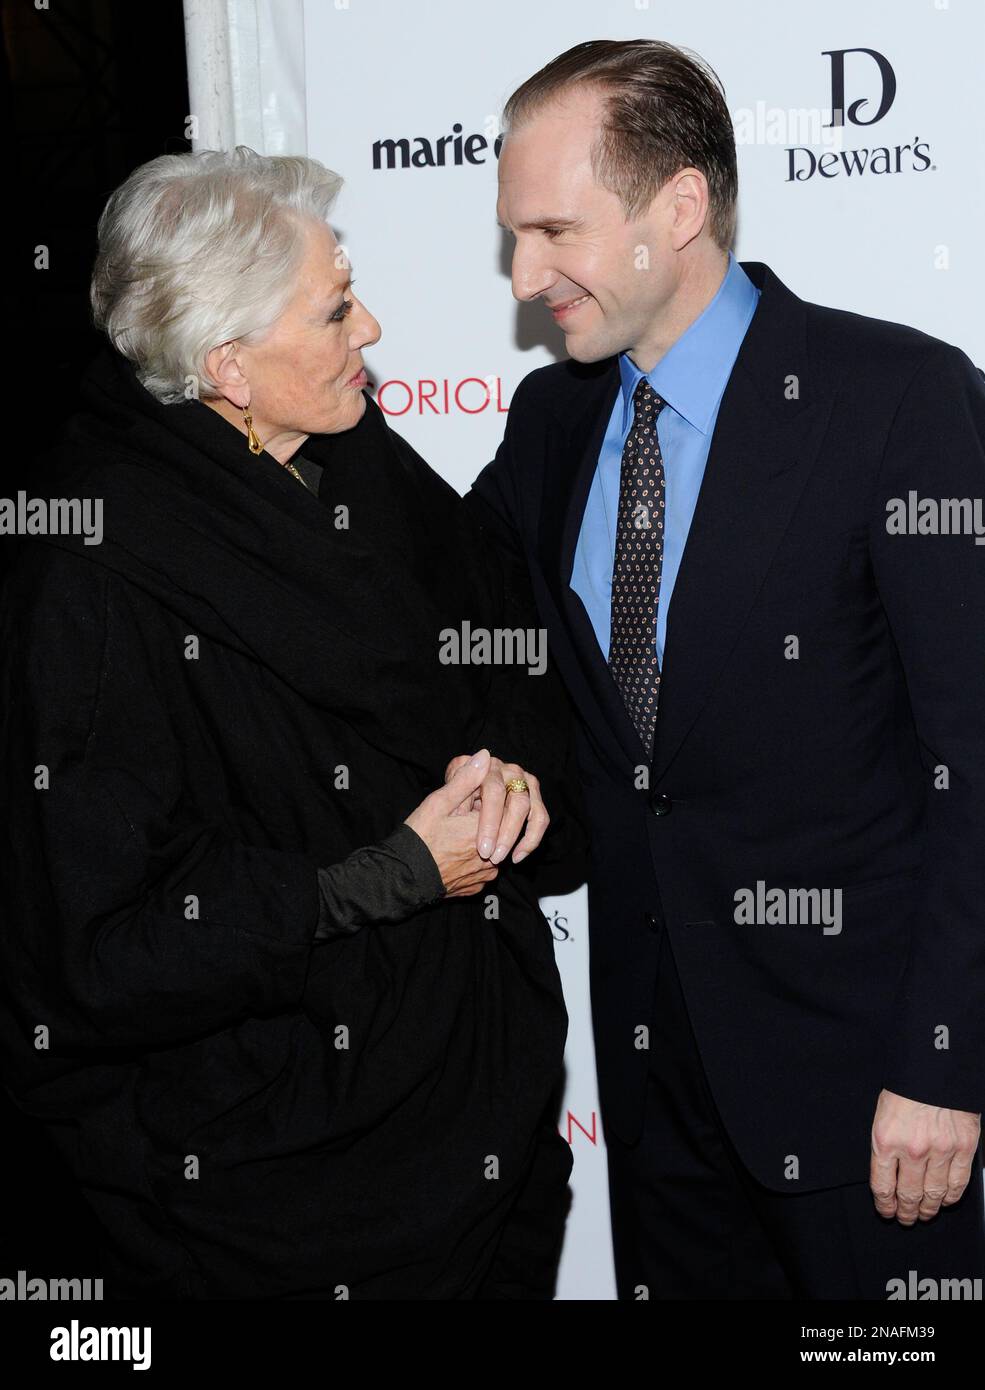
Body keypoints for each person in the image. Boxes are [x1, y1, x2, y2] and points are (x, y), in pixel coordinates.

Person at [0, 146, 584, 1300]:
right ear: (228, 365)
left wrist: (511, 767)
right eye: (332, 309)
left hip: (477, 1119)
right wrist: (390, 875)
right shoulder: (90, 573)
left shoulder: (351, 452)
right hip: (271, 1191)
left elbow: (498, 634)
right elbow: (98, 943)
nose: (370, 325)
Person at [468, 37, 985, 1298]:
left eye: (554, 232)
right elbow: (439, 601)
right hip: (652, 1092)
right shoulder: (554, 422)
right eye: (511, 236)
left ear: (679, 207)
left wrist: (941, 1064)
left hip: (868, 1099)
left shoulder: (896, 398)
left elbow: (974, 759)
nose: (527, 279)